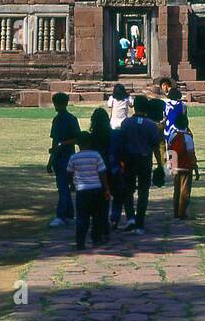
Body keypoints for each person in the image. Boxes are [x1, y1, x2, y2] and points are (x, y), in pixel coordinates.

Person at [118, 96, 163, 234]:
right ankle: (139, 222)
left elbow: (122, 143)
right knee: (143, 191)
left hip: (129, 159)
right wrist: (160, 164)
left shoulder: (126, 123)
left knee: (128, 189)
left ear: (134, 107)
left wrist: (120, 161)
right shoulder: (151, 125)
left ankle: (131, 217)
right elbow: (155, 146)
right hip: (144, 159)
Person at [66, 131, 111, 250]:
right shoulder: (96, 155)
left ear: (78, 144)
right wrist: (106, 189)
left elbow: (69, 172)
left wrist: (72, 183)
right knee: (97, 216)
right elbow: (102, 173)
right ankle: (96, 239)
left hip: (81, 190)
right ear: (90, 142)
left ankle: (80, 242)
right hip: (96, 189)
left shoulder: (74, 157)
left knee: (81, 217)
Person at [46, 92, 79, 227]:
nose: (56, 106)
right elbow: (54, 141)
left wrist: (62, 144)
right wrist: (50, 160)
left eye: (58, 104)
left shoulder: (71, 119)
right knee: (63, 186)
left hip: (68, 156)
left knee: (63, 186)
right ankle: (69, 213)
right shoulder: (57, 119)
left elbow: (77, 138)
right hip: (59, 156)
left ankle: (61, 215)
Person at [87, 108, 113, 242]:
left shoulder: (92, 138)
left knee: (94, 202)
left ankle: (96, 228)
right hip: (107, 169)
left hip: (92, 171)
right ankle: (104, 225)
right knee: (105, 199)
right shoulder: (111, 135)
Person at [167, 112, 199, 220]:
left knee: (176, 190)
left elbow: (170, 151)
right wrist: (195, 168)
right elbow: (191, 154)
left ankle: (176, 212)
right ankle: (182, 213)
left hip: (175, 166)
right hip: (186, 166)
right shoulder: (188, 137)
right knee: (185, 191)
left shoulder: (172, 135)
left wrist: (170, 165)